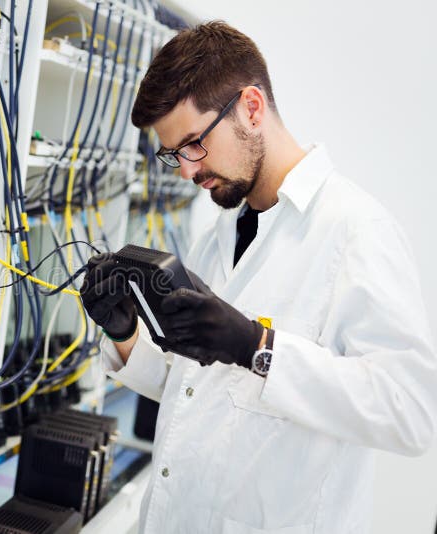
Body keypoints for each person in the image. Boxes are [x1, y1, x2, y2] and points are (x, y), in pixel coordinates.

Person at [80, 21, 437, 534]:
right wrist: (124, 333)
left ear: (251, 107)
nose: (185, 171)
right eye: (173, 155)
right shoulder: (221, 234)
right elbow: (195, 392)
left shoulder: (357, 230)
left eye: (193, 144)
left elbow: (410, 412)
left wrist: (258, 346)